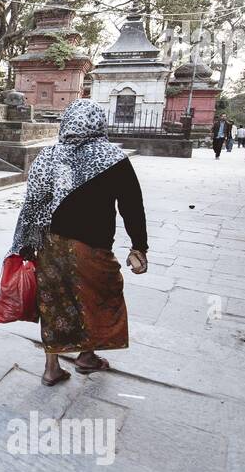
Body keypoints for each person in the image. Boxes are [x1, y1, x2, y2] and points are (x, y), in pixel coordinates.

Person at [9, 99, 149, 386]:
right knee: (99, 298)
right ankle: (87, 355)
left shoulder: (49, 156)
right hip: (93, 248)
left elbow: (32, 204)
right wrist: (139, 247)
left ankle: (52, 368)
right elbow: (132, 206)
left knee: (54, 302)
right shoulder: (114, 159)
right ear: (98, 122)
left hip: (51, 245)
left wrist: (23, 243)